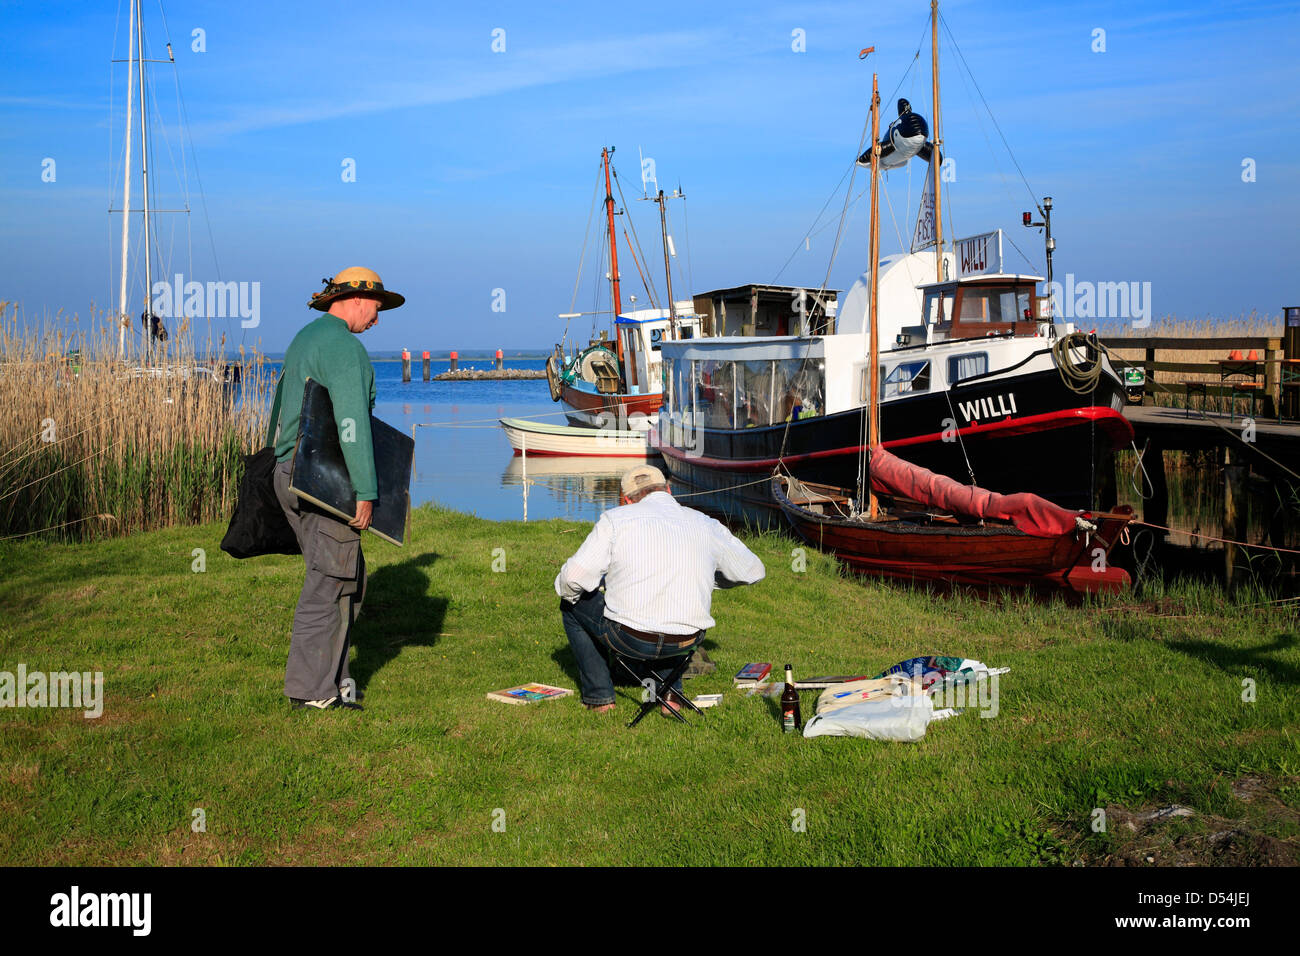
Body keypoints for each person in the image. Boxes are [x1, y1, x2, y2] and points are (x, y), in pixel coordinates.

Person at [266, 266, 405, 711]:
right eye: (377, 307)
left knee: (350, 578)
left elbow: (279, 405)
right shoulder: (345, 348)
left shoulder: (305, 338)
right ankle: (311, 692)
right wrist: (366, 490)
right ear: (357, 300)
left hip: (287, 471)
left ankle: (334, 681)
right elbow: (351, 424)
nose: (378, 318)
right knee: (328, 583)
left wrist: (275, 462)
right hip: (321, 479)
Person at [555, 464, 765, 713]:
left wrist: (597, 586)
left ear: (625, 500)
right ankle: (670, 695)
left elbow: (571, 579)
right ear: (668, 489)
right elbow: (753, 570)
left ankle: (600, 699)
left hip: (631, 639)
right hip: (688, 640)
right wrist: (710, 580)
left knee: (571, 603)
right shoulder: (704, 522)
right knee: (672, 609)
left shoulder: (616, 520)